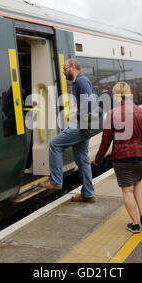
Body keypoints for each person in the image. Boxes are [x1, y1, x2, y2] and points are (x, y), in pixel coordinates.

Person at [94, 82, 142, 234]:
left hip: (122, 158)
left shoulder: (112, 114)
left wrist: (98, 159)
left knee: (127, 190)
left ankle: (135, 224)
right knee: (137, 183)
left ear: (116, 96)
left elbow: (105, 141)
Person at [40, 59, 96, 203]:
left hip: (80, 125)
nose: (63, 72)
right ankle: (88, 194)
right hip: (84, 126)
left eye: (65, 69)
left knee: (55, 145)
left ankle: (56, 181)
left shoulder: (81, 81)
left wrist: (78, 117)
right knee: (82, 158)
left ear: (72, 68)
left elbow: (90, 103)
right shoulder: (78, 82)